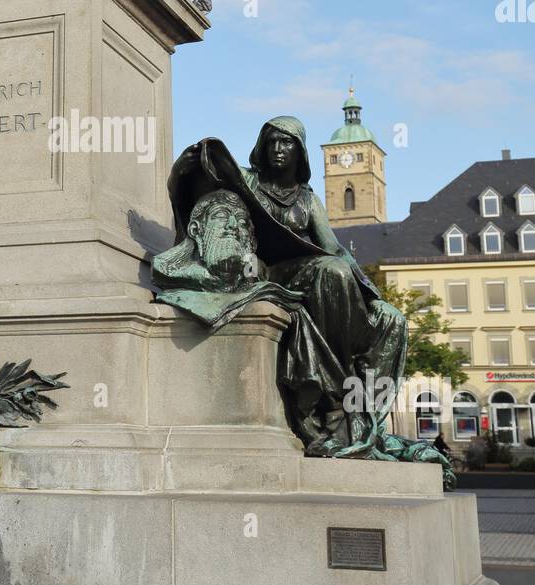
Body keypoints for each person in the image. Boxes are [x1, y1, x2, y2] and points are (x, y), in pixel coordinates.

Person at [159, 120, 454, 485]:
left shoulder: (308, 200)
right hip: (268, 271)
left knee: (389, 318)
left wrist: (370, 296)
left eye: (287, 143)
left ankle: (356, 411)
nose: (279, 150)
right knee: (330, 273)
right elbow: (201, 194)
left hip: (310, 272)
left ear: (300, 151)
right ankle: (337, 403)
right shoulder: (249, 182)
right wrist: (181, 171)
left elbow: (334, 250)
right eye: (272, 143)